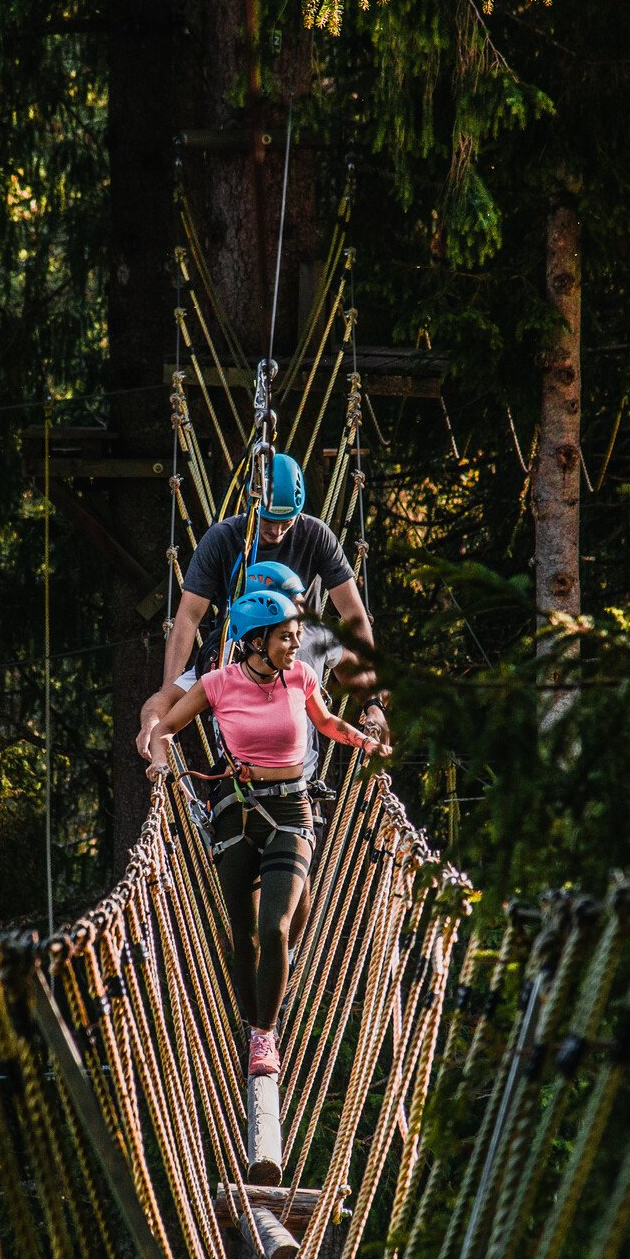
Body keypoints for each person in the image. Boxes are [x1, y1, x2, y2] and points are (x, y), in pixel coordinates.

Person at [146, 589, 390, 1077]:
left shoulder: (300, 676)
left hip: (293, 811)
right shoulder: (217, 684)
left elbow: (326, 722)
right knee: (244, 936)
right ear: (255, 641)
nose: (296, 646)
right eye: (285, 637)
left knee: (275, 927)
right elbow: (165, 727)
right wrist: (158, 759)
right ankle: (250, 1022)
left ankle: (264, 1035)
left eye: (297, 636)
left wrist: (363, 741)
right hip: (235, 814)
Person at [136, 451, 388, 761]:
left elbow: (352, 616)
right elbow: (188, 617)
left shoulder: (315, 541)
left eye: (286, 522)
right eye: (269, 521)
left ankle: (301, 767)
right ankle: (237, 761)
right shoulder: (222, 540)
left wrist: (373, 703)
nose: (277, 531)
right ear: (253, 506)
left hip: (302, 644)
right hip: (236, 642)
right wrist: (161, 708)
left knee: (306, 656)